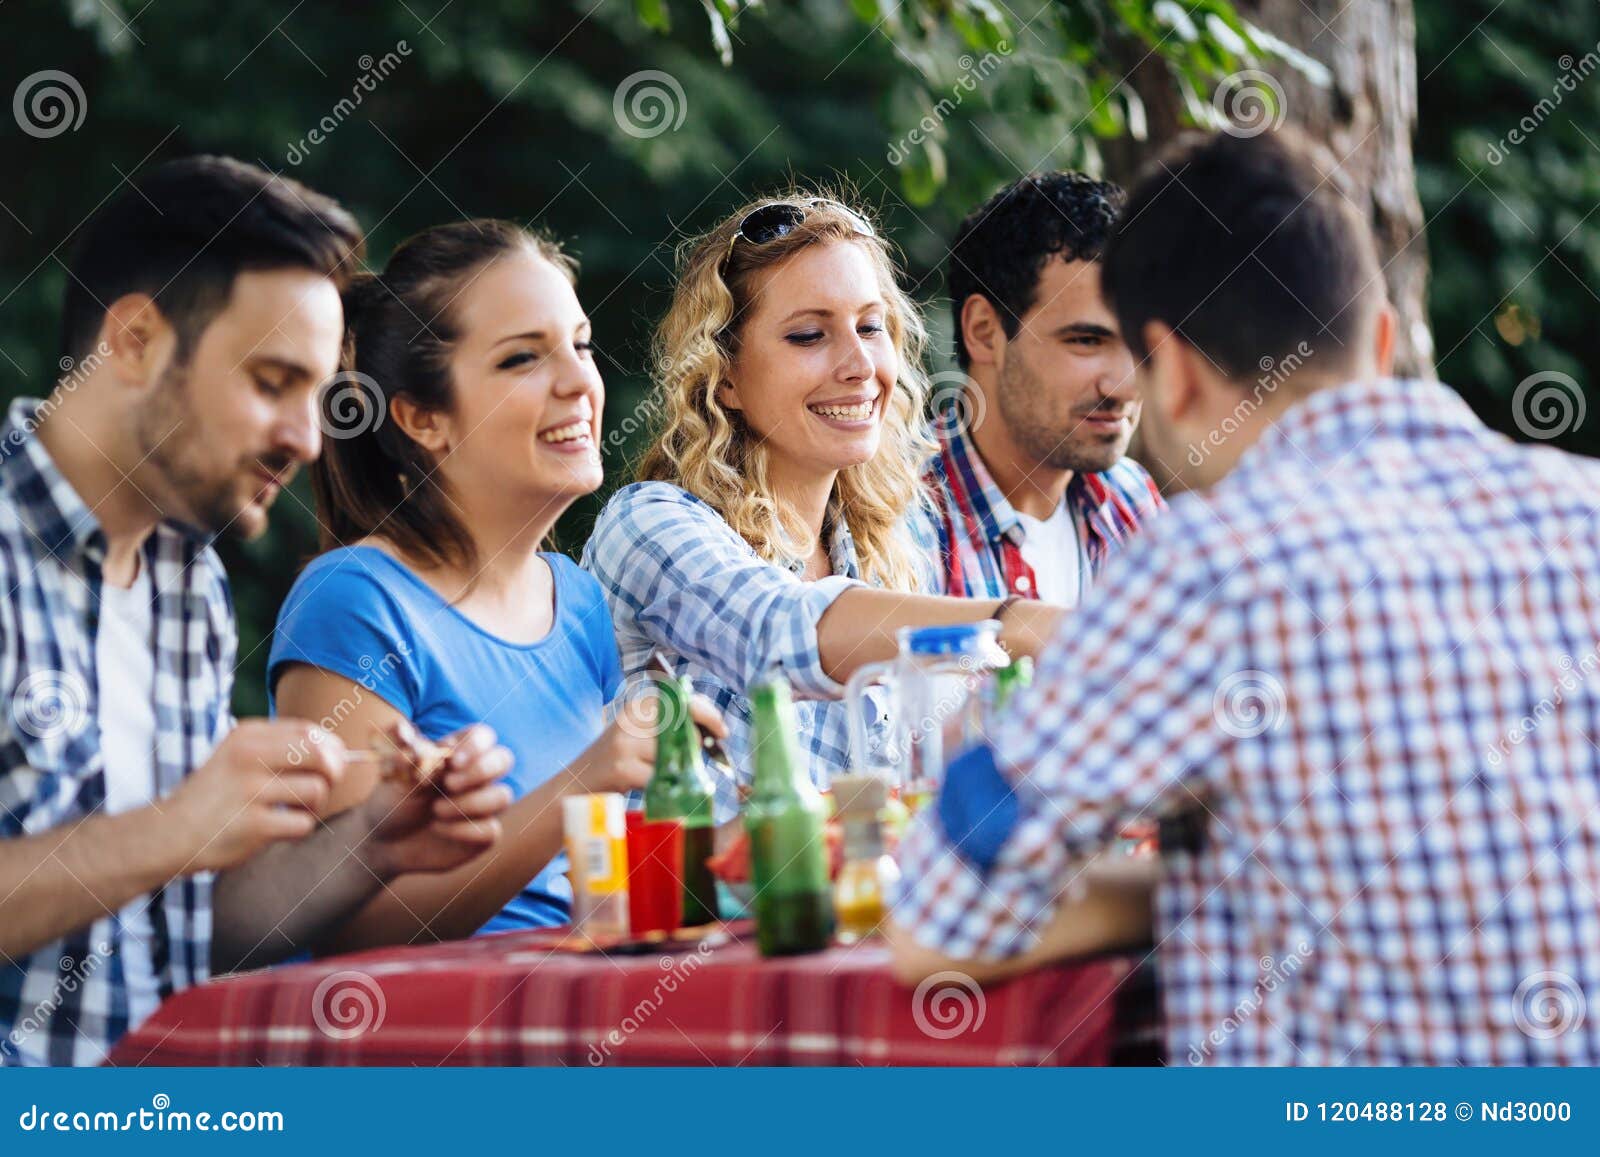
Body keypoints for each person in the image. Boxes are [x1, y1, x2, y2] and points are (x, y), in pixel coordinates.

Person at [890, 127, 1600, 1066]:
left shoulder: (1209, 564)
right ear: (1383, 335)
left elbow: (939, 919)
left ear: (1170, 371)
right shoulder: (1581, 507)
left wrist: (1190, 882)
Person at [0, 158, 513, 1067]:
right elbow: (161, 846)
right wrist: (173, 829)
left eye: (316, 397)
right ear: (134, 342)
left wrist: (373, 842)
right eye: (273, 381)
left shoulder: (187, 587)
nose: (307, 439)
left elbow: (192, 937)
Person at [269, 220, 723, 947]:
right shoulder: (355, 602)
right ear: (424, 419)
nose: (579, 381)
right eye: (522, 358)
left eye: (580, 344)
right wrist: (581, 781)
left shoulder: (577, 602)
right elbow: (338, 925)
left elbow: (588, 890)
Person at [583, 194, 1064, 818]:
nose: (860, 364)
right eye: (810, 335)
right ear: (724, 376)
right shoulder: (649, 524)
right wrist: (1019, 624)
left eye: (870, 327)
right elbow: (775, 634)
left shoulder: (888, 553)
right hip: (673, 912)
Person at [927, 172, 1164, 603]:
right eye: (1087, 341)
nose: (1127, 387)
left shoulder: (1132, 503)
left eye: (1142, 344)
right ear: (984, 332)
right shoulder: (891, 520)